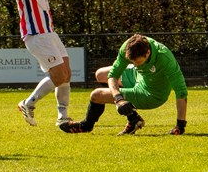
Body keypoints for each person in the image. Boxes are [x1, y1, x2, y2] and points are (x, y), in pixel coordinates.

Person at [59, 33, 188, 136]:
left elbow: (181, 90)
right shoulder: (127, 46)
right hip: (139, 77)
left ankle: (86, 125)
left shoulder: (164, 57)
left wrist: (180, 125)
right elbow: (113, 75)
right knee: (100, 74)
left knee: (96, 95)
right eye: (132, 62)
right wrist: (118, 98)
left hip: (152, 94)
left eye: (138, 62)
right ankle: (133, 118)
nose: (135, 65)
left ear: (148, 53)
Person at [9, 0, 71, 127]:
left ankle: (63, 116)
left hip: (49, 32)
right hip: (35, 33)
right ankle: (28, 103)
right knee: (58, 75)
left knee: (66, 73)